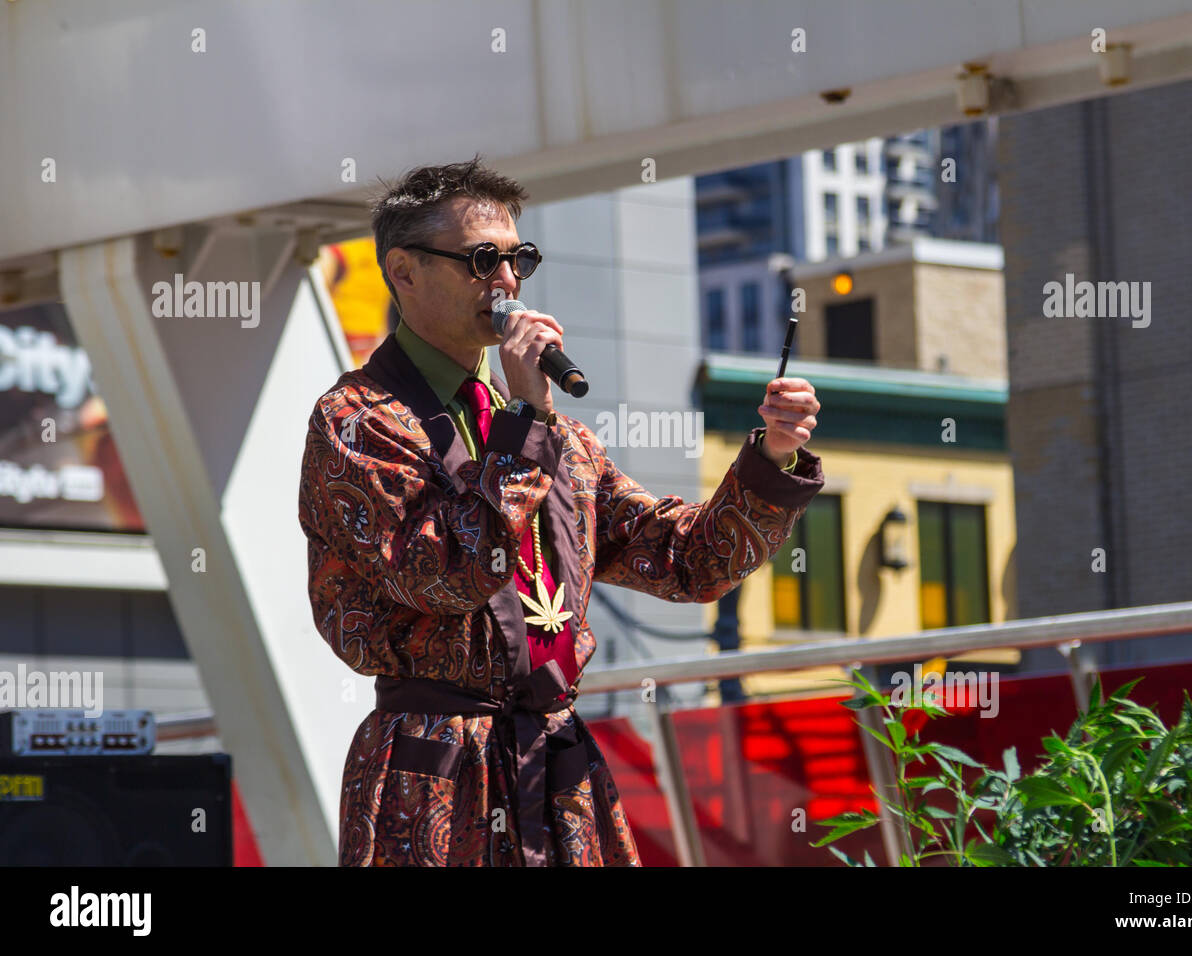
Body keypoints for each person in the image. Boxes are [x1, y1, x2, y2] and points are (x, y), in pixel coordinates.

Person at [297, 157, 825, 866]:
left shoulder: (558, 440)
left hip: (557, 759)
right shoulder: (357, 422)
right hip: (434, 763)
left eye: (520, 259)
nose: (508, 282)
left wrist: (776, 459)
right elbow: (444, 574)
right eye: (483, 259)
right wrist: (522, 423)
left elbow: (687, 562)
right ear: (405, 271)